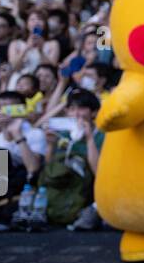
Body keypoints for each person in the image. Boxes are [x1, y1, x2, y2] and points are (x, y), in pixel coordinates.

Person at [39, 89, 105, 227]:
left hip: (89, 186)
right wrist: (50, 145)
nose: (76, 114)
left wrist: (89, 139)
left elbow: (99, 173)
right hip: (65, 184)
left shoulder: (103, 135)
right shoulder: (62, 134)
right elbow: (50, 170)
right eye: (72, 109)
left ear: (93, 112)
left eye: (81, 108)